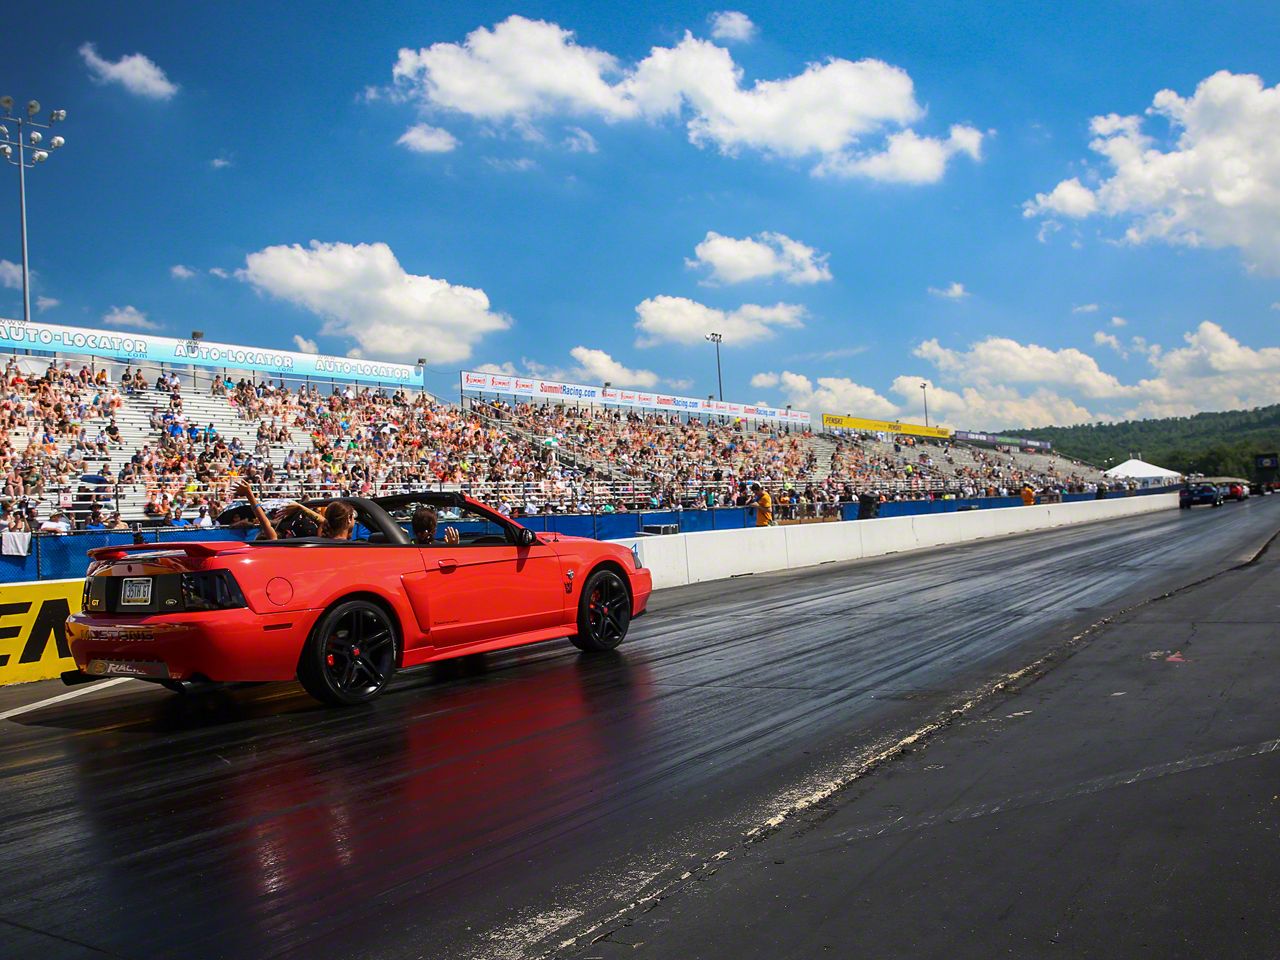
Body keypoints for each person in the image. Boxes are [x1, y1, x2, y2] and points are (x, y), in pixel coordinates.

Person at [234, 480, 354, 541]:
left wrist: (250, 495)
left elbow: (265, 523)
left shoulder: (317, 543)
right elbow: (324, 522)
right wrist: (302, 507)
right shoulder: (355, 547)